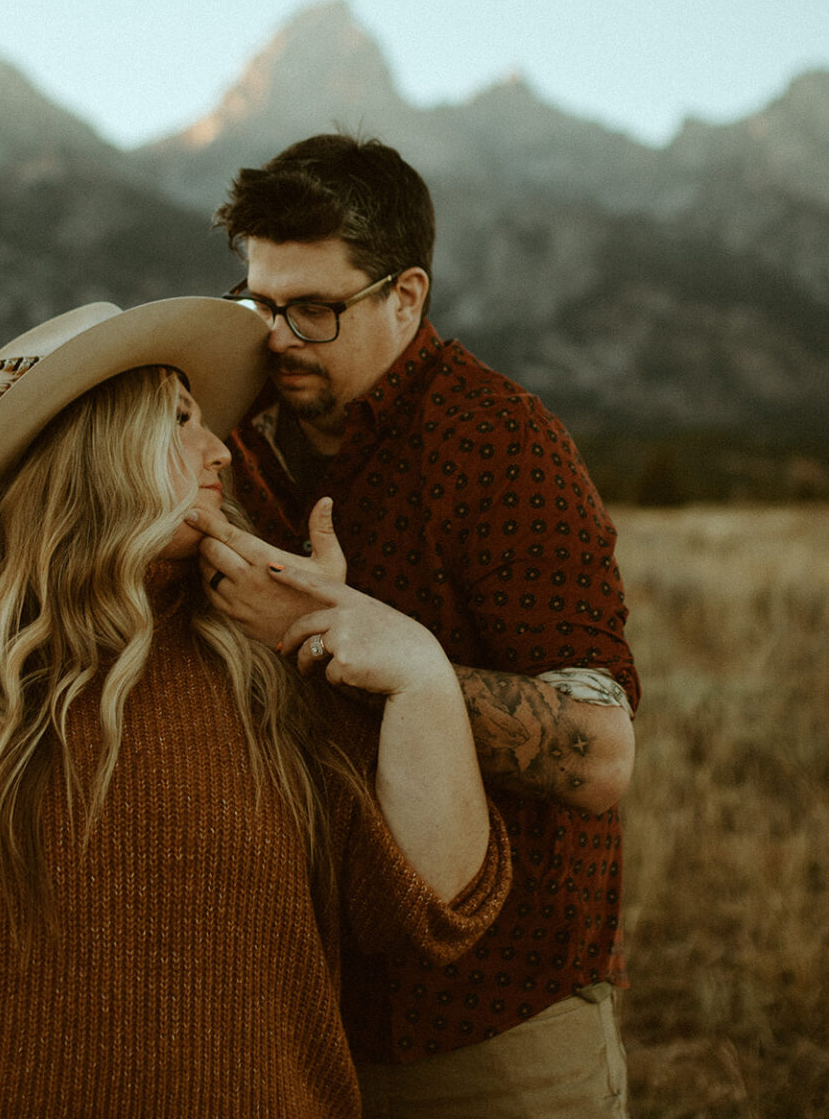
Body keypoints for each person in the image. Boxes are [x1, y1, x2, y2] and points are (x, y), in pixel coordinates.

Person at [0, 296, 511, 1119]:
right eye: (180, 419)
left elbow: (431, 916)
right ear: (95, 445)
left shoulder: (266, 653)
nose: (219, 448)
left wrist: (411, 668)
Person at [193, 136, 640, 1118]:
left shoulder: (498, 446)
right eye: (259, 301)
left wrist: (368, 648)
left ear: (405, 295)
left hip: (490, 1028)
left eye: (314, 308)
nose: (277, 335)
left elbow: (600, 754)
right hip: (298, 1010)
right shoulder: (233, 439)